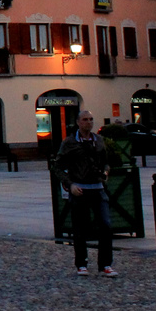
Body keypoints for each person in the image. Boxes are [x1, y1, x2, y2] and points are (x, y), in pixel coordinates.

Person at [56, 109, 115, 276]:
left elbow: (106, 162)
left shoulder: (99, 141)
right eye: (85, 119)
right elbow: (58, 166)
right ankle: (81, 263)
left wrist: (105, 172)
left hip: (98, 188)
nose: (88, 122)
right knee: (80, 228)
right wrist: (70, 184)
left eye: (91, 119)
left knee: (105, 225)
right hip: (80, 189)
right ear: (78, 122)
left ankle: (105, 264)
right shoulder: (69, 142)